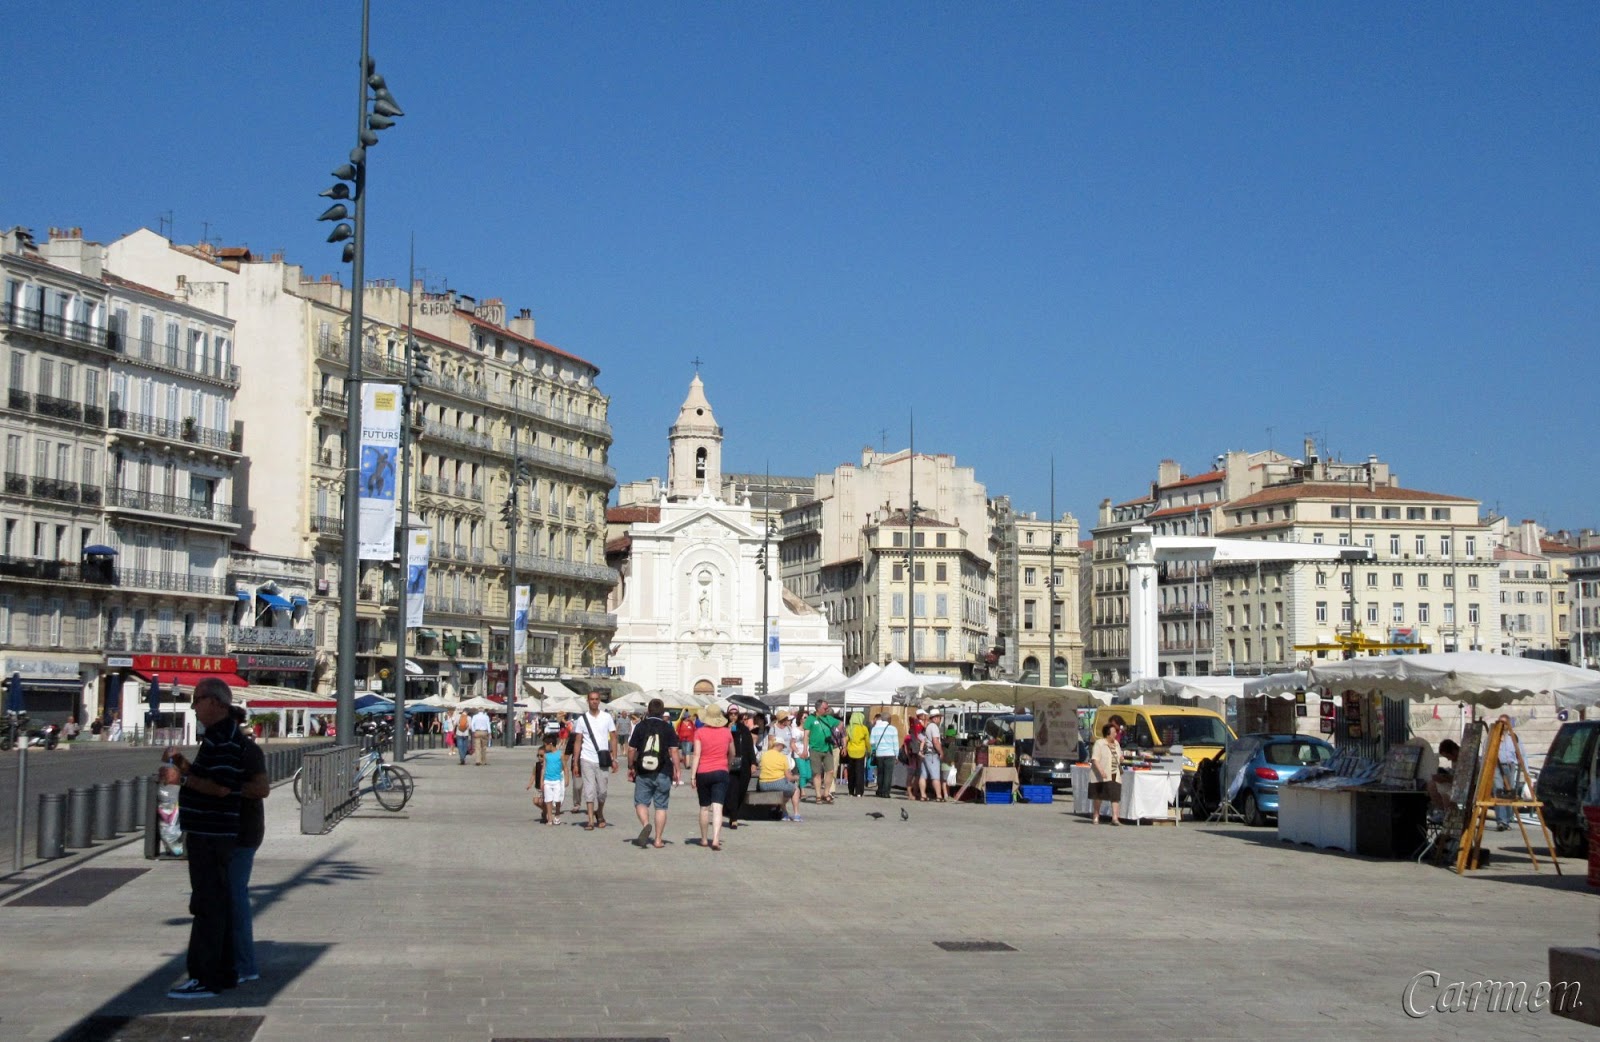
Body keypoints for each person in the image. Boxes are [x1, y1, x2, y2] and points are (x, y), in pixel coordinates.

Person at [164, 676, 246, 999]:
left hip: (212, 834)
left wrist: (181, 776)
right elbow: (210, 777)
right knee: (216, 904)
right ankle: (223, 973)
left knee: (207, 905)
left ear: (215, 703)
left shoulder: (223, 738)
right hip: (212, 832)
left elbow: (222, 786)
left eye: (196, 700)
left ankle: (204, 977)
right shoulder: (218, 736)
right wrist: (184, 765)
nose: (194, 707)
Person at [229, 704, 271, 984]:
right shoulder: (218, 747)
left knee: (235, 897)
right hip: (225, 832)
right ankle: (233, 960)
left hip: (242, 832)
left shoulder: (247, 750)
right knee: (229, 897)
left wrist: (225, 789)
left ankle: (244, 965)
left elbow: (262, 789)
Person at [627, 697, 682, 848]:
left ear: (648, 711)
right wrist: (677, 770)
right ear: (662, 712)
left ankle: (645, 824)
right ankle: (658, 840)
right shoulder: (668, 727)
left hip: (643, 771)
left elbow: (631, 749)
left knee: (641, 802)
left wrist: (630, 766)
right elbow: (674, 751)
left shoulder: (640, 726)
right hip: (663, 770)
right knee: (661, 806)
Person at [574, 689, 618, 831]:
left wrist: (615, 758)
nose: (594, 701)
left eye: (596, 699)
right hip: (586, 758)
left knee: (602, 791)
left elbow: (613, 737)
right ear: (588, 701)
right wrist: (575, 762)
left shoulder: (607, 717)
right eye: (591, 699)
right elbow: (578, 741)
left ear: (599, 701)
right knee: (589, 789)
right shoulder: (581, 720)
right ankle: (590, 820)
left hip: (603, 759)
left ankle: (600, 811)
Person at [691, 703, 732, 850]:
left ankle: (703, 839)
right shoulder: (727, 732)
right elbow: (732, 752)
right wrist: (729, 764)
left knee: (704, 807)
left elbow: (696, 754)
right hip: (721, 771)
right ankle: (715, 839)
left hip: (703, 772)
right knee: (717, 807)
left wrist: (692, 776)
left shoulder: (700, 732)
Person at [723, 706, 757, 829]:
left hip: (744, 763)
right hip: (729, 763)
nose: (733, 716)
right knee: (732, 790)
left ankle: (733, 812)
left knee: (741, 791)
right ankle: (734, 818)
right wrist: (728, 730)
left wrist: (753, 762)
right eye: (731, 714)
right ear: (727, 714)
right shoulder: (723, 728)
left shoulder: (744, 729)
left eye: (735, 714)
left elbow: (749, 746)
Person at [805, 700, 842, 804]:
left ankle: (826, 793)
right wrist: (804, 749)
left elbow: (840, 723)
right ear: (818, 709)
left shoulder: (829, 718)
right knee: (817, 773)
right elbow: (806, 735)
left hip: (828, 748)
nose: (827, 710)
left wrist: (836, 732)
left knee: (830, 771)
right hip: (815, 749)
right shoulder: (811, 719)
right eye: (825, 708)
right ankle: (818, 795)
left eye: (828, 708)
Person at [758, 736, 803, 821]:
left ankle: (785, 813)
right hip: (777, 783)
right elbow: (789, 777)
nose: (782, 748)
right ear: (778, 745)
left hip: (763, 784)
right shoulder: (782, 757)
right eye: (782, 746)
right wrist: (796, 777)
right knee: (795, 789)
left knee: (783, 793)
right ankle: (796, 814)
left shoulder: (764, 754)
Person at [1090, 719, 1124, 826]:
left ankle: (1115, 818)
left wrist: (1121, 758)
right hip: (1101, 775)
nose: (1116, 734)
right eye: (1114, 732)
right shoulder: (1099, 744)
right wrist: (1101, 771)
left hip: (1115, 774)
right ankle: (1096, 815)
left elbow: (1119, 756)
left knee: (1115, 796)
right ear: (1108, 734)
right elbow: (1095, 759)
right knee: (1099, 796)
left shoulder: (1117, 744)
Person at [1494, 715, 1524, 830]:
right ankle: (1501, 821)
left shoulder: (1513, 737)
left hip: (1510, 766)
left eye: (1504, 723)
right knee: (1498, 791)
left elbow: (1521, 754)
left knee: (1509, 792)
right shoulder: (1493, 737)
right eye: (1500, 722)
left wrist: (1524, 768)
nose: (1502, 725)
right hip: (1496, 766)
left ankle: (1507, 818)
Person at [528, 733, 564, 826]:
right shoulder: (536, 765)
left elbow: (562, 767)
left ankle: (550, 815)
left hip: (553, 781)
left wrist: (565, 779)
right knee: (539, 801)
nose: (540, 757)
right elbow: (533, 774)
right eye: (538, 756)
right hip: (541, 786)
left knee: (553, 800)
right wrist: (531, 784)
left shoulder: (551, 757)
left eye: (541, 756)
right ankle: (547, 813)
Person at [869, 712, 900, 799]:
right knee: (888, 774)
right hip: (890, 754)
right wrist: (897, 755)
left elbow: (872, 742)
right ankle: (886, 792)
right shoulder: (893, 729)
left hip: (879, 754)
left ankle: (880, 790)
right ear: (889, 719)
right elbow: (895, 744)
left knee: (880, 773)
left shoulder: (875, 729)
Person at [1427, 739, 1460, 816]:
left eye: (1448, 756)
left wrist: (1445, 778)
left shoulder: (1464, 759)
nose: (1448, 759)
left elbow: (1462, 780)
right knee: (1431, 785)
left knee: (1446, 794)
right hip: (1453, 783)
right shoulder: (1455, 759)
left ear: (1454, 751)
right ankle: (1442, 811)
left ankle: (1450, 815)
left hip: (1464, 787)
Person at [921, 709, 948, 802]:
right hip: (932, 754)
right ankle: (939, 796)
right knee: (935, 776)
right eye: (939, 718)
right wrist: (941, 752)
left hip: (926, 753)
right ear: (936, 718)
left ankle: (923, 795)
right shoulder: (934, 727)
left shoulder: (928, 726)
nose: (940, 720)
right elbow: (935, 741)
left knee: (923, 775)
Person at [843, 711, 870, 798]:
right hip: (860, 752)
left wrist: (844, 748)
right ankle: (859, 792)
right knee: (860, 772)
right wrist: (869, 750)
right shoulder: (864, 728)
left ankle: (850, 791)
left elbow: (846, 739)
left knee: (851, 772)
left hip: (851, 752)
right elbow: (867, 741)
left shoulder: (849, 728)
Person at [674, 711, 697, 786]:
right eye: (688, 717)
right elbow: (677, 731)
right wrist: (678, 735)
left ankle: (687, 765)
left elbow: (694, 730)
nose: (689, 718)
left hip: (690, 739)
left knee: (687, 751)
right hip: (682, 739)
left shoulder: (691, 723)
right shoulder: (680, 723)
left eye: (689, 717)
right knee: (684, 752)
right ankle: (685, 763)